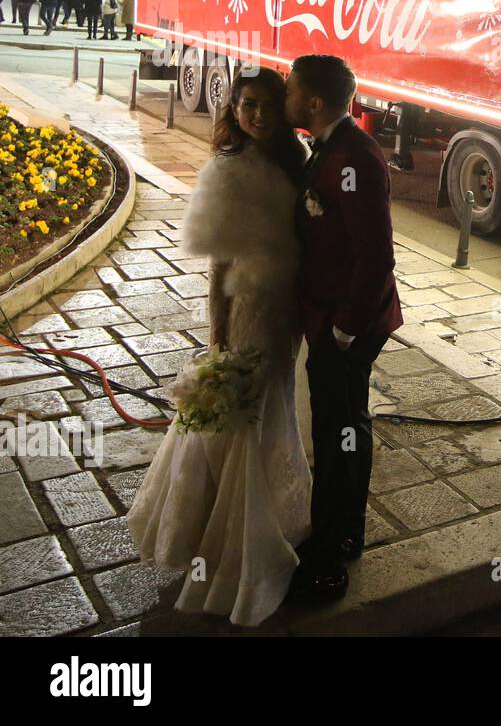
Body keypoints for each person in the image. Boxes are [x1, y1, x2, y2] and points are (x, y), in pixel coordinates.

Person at [128, 67, 311, 627]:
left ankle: (274, 513)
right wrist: (217, 331)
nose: (258, 115)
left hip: (292, 308)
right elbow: (218, 265)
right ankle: (228, 532)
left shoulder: (297, 159)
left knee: (279, 406)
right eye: (247, 105)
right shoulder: (229, 166)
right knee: (243, 415)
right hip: (251, 306)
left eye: (267, 105)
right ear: (233, 108)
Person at [284, 55, 403, 602]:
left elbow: (376, 255)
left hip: (348, 321)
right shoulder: (332, 146)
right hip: (334, 316)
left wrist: (344, 331)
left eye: (290, 91)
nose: (285, 99)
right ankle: (343, 531)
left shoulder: (353, 156)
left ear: (313, 102)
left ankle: (330, 554)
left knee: (339, 438)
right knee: (342, 429)